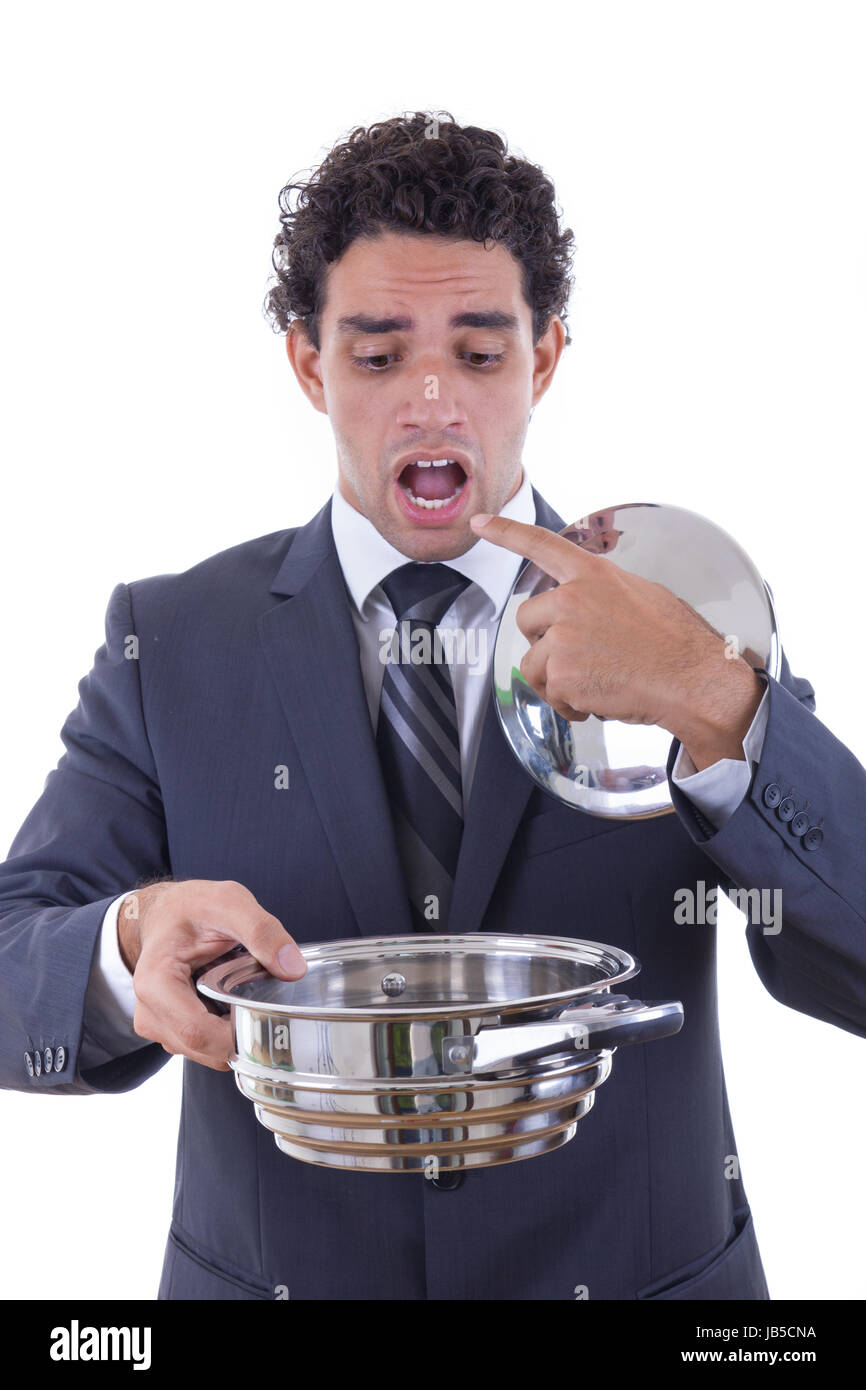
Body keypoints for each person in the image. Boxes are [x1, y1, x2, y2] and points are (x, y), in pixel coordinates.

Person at [1, 110, 864, 1301]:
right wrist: (126, 942)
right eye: (374, 355)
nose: (428, 402)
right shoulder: (174, 639)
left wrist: (718, 703)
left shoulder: (680, 612)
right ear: (308, 364)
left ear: (544, 357)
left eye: (476, 352)